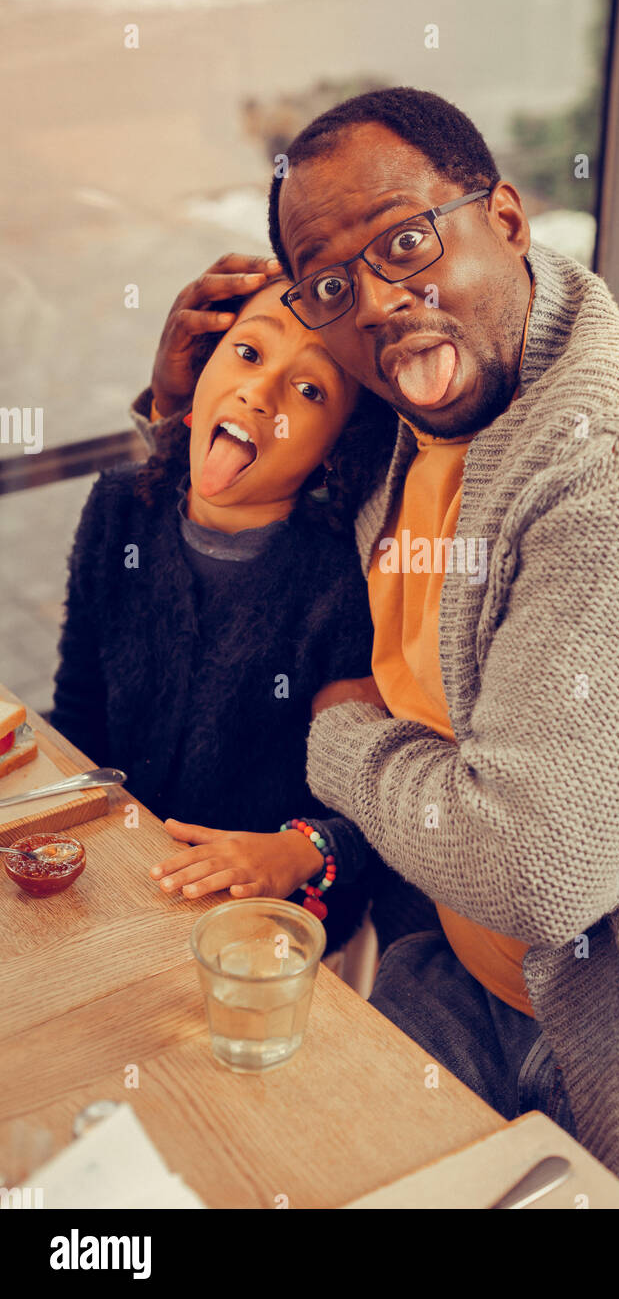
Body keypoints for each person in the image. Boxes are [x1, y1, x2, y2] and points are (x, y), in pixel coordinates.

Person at [138, 88, 619, 1209]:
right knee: (203, 1154)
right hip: (456, 967)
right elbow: (239, 484)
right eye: (333, 282)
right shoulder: (417, 410)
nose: (380, 300)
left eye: (406, 240)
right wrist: (174, 403)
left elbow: (533, 871)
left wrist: (341, 734)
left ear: (509, 221)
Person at [51, 273, 403, 952]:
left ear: (336, 447)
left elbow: (371, 807)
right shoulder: (119, 508)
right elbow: (78, 714)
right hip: (116, 884)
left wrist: (297, 850)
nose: (260, 393)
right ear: (201, 370)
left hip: (268, 928)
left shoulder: (347, 584)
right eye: (247, 353)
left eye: (309, 391)